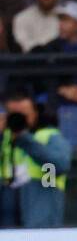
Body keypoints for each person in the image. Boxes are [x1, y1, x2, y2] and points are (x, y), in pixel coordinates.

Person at [0, 88, 72, 228]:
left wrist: (25, 140)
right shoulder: (5, 141)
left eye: (23, 114)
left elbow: (57, 167)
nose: (18, 119)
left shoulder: (48, 136)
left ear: (35, 113)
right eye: (12, 115)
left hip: (38, 218)